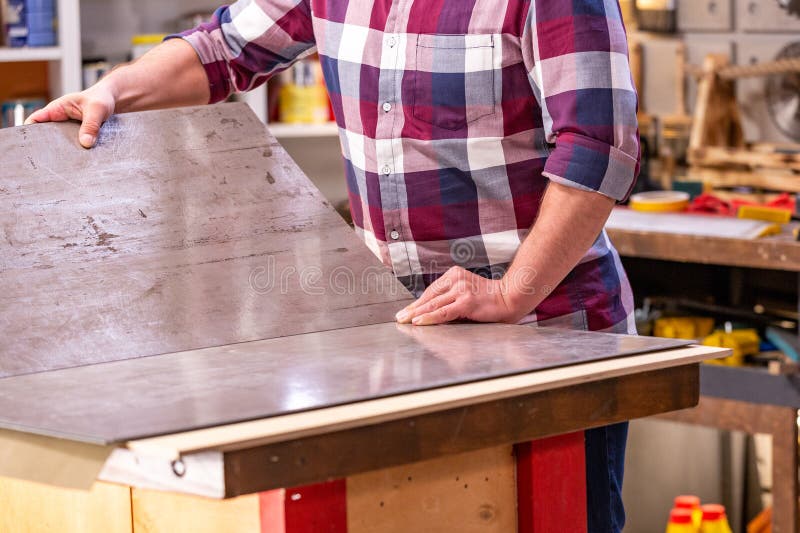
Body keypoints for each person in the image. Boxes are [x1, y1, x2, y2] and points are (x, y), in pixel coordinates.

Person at [27, 1, 639, 530]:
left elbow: (598, 147)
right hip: (404, 340)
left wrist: (511, 292)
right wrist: (113, 91)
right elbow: (223, 48)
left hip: (545, 339)